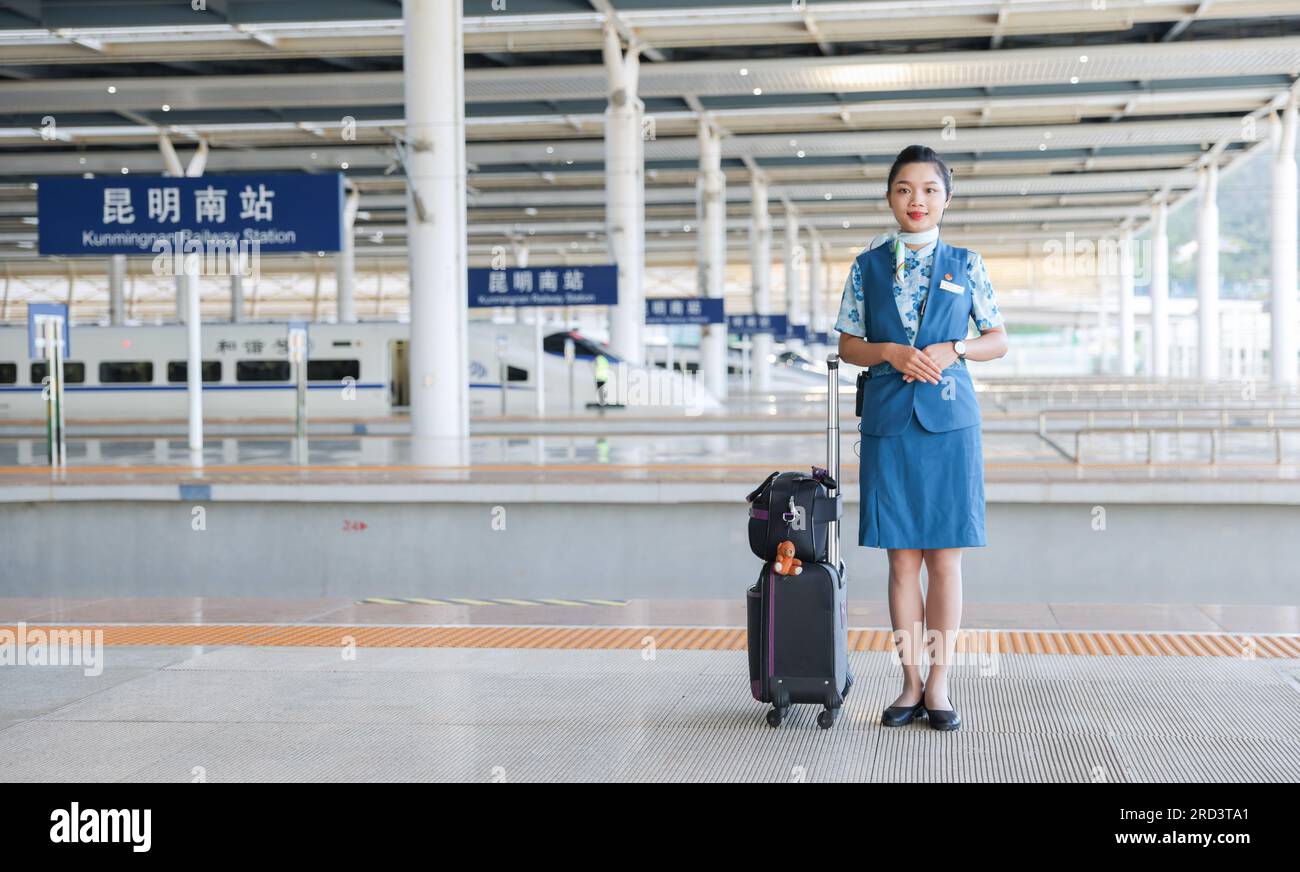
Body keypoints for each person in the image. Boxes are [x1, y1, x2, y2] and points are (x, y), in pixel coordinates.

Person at [833, 144, 1009, 732]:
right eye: (905, 189)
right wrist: (889, 351)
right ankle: (908, 682)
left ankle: (940, 682)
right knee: (902, 561)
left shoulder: (967, 263)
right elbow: (848, 345)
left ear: (947, 199)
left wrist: (953, 348)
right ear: (889, 197)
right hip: (889, 423)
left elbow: (997, 339)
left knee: (945, 561)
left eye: (930, 189)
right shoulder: (867, 266)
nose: (917, 200)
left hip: (951, 425)